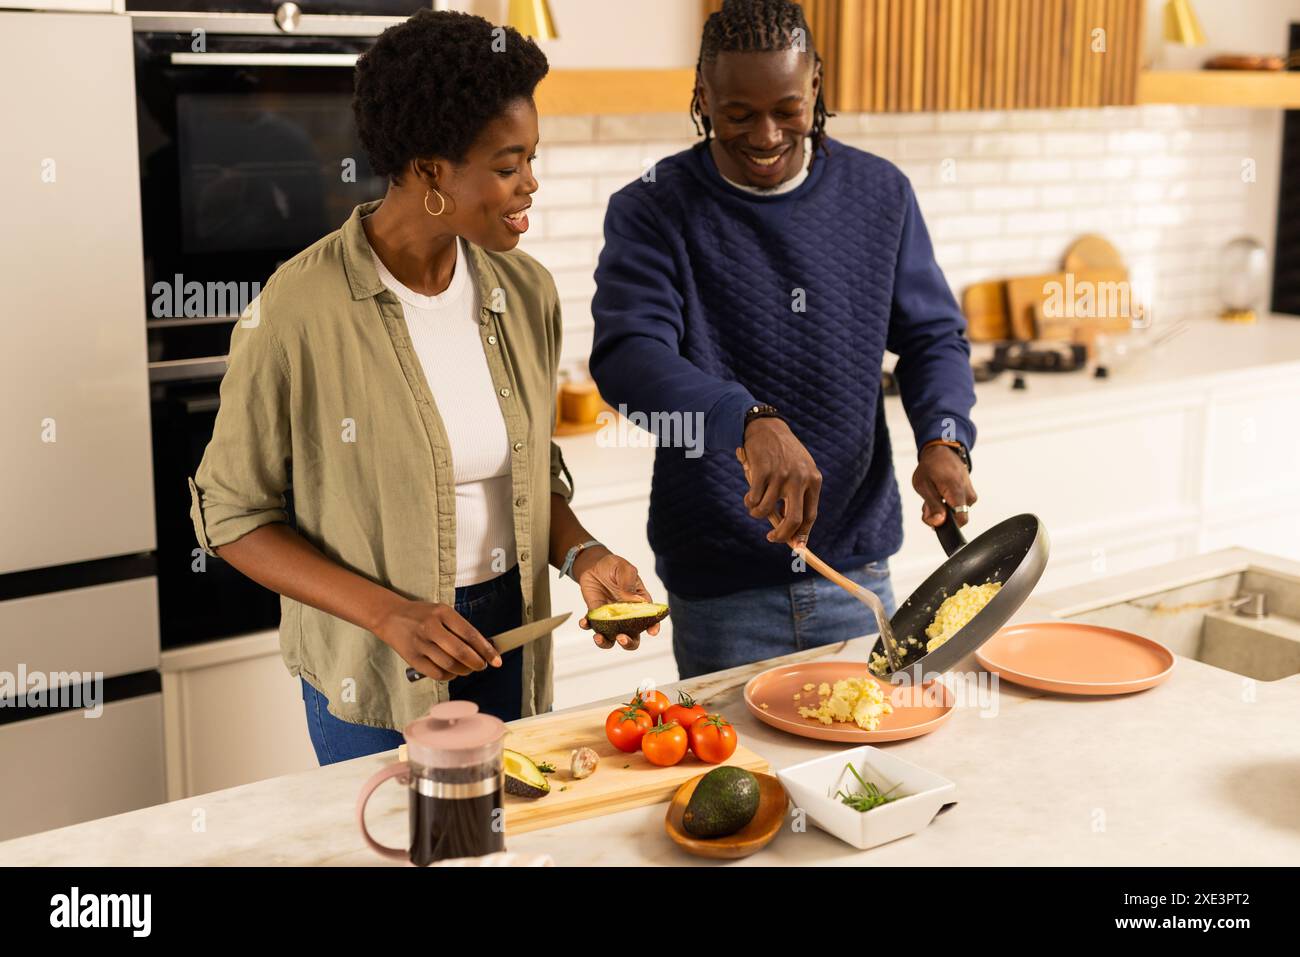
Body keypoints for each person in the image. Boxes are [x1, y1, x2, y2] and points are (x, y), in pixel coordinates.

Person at [189, 10, 656, 765]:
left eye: (532, 158)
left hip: (511, 639)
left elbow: (534, 479)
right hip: (376, 660)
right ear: (432, 169)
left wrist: (583, 555)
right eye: (509, 165)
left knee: (501, 837)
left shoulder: (525, 291)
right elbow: (231, 515)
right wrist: (391, 614)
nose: (529, 183)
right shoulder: (297, 308)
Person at [589, 0, 978, 678]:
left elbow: (932, 336)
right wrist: (745, 419)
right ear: (702, 97)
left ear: (816, 88)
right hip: (720, 589)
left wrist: (943, 436)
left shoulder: (880, 193)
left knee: (867, 769)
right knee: (745, 782)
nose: (767, 134)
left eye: (787, 109)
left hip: (855, 570)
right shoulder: (652, 208)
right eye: (739, 112)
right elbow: (629, 361)